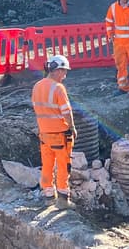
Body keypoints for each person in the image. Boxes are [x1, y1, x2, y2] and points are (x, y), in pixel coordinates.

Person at [32, 54, 74, 206]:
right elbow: (66, 112)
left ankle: (49, 197)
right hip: (60, 134)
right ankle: (63, 200)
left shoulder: (37, 86)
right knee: (64, 165)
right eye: (63, 71)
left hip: (44, 134)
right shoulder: (58, 88)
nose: (65, 75)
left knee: (47, 165)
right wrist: (72, 127)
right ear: (55, 70)